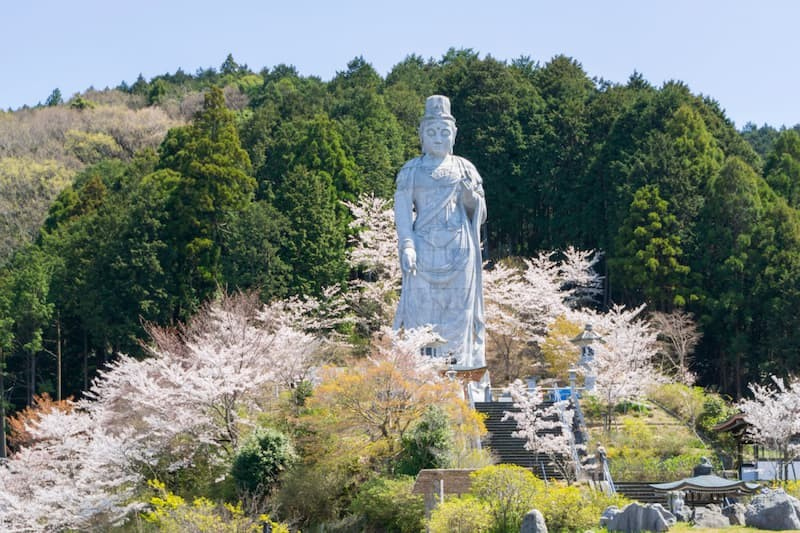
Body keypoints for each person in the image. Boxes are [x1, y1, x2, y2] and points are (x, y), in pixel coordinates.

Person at [393, 95, 487, 368]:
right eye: (431, 132)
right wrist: (407, 246)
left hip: (460, 250)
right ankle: (420, 371)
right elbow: (402, 216)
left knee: (459, 311)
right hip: (422, 251)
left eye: (444, 132)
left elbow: (477, 213)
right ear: (421, 134)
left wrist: (471, 195)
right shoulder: (411, 170)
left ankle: (462, 367)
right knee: (420, 312)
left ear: (454, 134)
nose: (438, 137)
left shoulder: (464, 168)